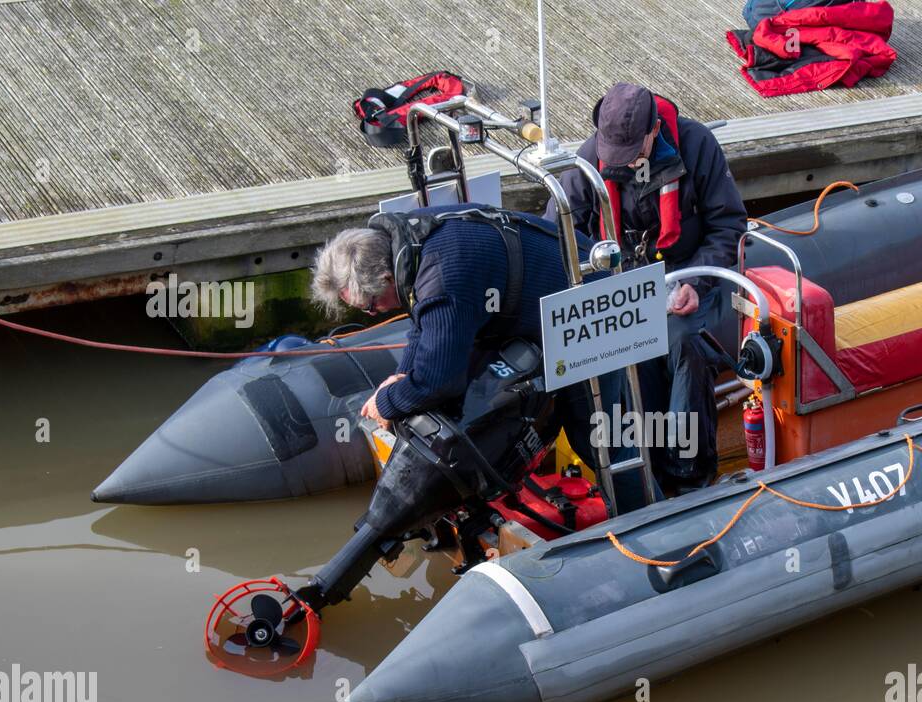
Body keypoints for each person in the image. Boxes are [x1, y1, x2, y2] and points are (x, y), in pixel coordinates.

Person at [310, 202, 651, 511]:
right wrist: (401, 376)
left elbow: (438, 381)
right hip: (545, 303)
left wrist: (387, 403)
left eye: (371, 306)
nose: (373, 315)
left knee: (600, 441)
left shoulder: (442, 276)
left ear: (386, 277)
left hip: (589, 303)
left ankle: (655, 528)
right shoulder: (409, 242)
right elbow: (422, 321)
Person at [547, 82, 748, 492]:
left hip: (690, 276)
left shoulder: (697, 146)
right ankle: (633, 462)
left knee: (684, 345)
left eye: (631, 154)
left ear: (654, 130)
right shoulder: (589, 162)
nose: (621, 163)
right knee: (626, 350)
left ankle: (687, 473)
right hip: (623, 284)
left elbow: (728, 225)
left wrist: (694, 280)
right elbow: (556, 232)